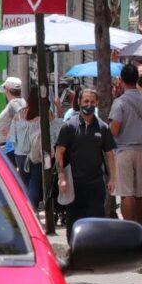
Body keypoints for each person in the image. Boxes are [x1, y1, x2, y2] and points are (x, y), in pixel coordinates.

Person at [54, 87, 114, 238]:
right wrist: (61, 177)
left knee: (96, 224)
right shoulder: (69, 126)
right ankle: (74, 248)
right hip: (74, 184)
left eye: (92, 102)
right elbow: (59, 152)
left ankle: (94, 250)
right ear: (79, 102)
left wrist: (113, 178)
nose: (89, 104)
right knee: (74, 223)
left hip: (96, 184)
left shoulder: (103, 128)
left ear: (97, 103)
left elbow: (110, 154)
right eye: (86, 101)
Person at [108, 65, 142, 227]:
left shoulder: (119, 102)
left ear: (121, 80)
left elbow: (115, 130)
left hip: (124, 150)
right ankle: (140, 227)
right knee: (140, 192)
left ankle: (129, 229)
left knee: (126, 194)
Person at [0, 78, 48, 206]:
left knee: (15, 180)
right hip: (16, 148)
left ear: (7, 89)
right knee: (24, 181)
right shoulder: (19, 103)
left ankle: (24, 207)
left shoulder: (16, 104)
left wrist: (12, 132)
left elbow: (24, 120)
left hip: (13, 148)